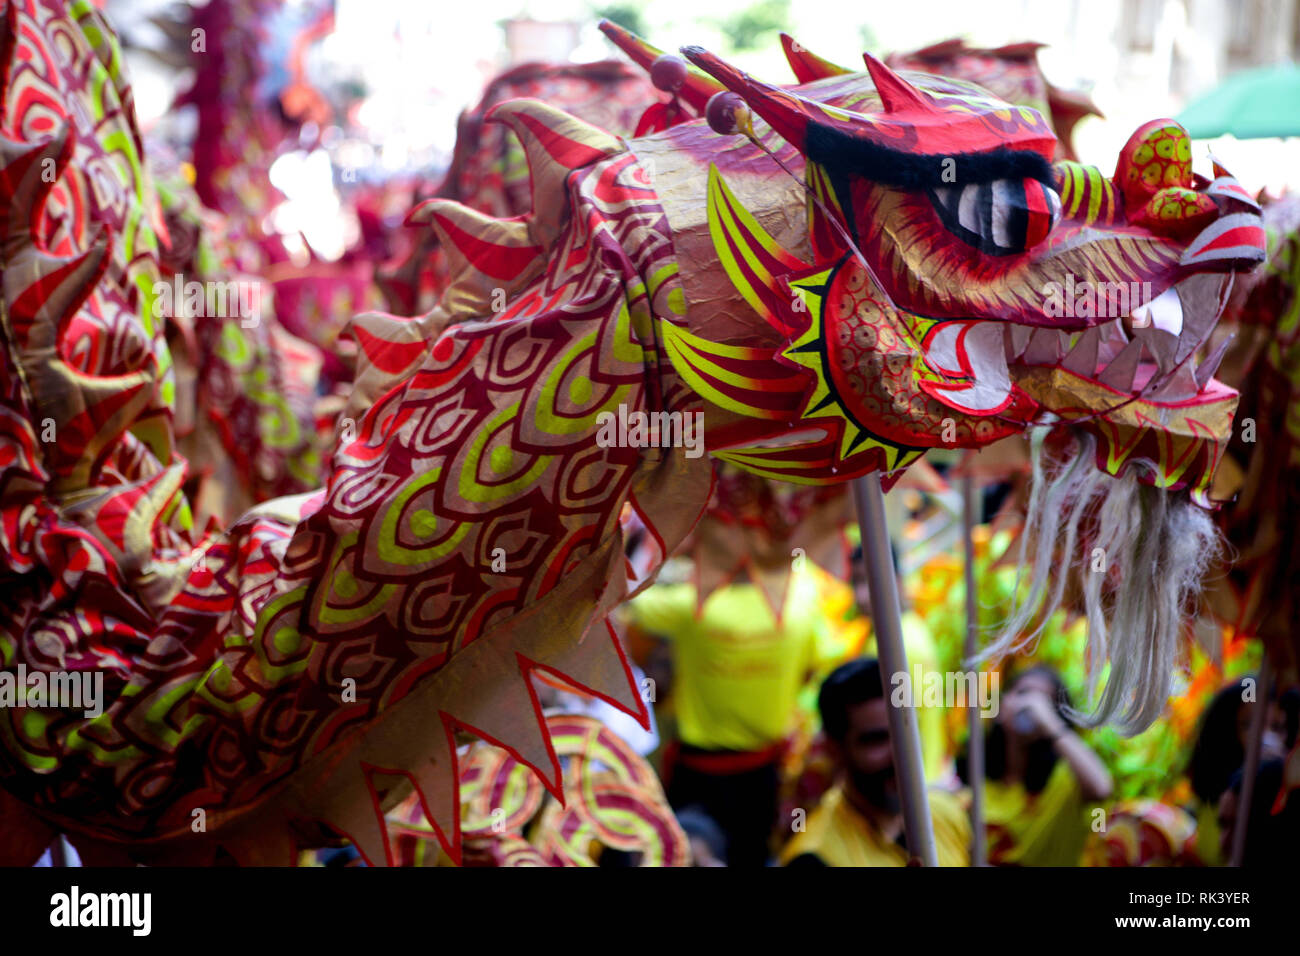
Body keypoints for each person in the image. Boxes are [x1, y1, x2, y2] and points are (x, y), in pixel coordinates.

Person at [625, 563, 827, 867]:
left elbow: (624, 600)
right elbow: (810, 671)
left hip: (697, 775)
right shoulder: (800, 603)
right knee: (752, 856)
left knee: (685, 856)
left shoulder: (689, 603)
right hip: (761, 777)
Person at [779, 658, 971, 866]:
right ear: (834, 750)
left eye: (908, 732)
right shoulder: (815, 858)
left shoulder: (947, 813)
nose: (902, 759)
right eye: (877, 740)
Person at [964, 666, 1112, 866]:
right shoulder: (975, 777)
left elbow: (1101, 788)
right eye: (1023, 693)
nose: (1030, 705)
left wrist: (1051, 725)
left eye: (1045, 701)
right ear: (1002, 706)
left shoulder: (1064, 781)